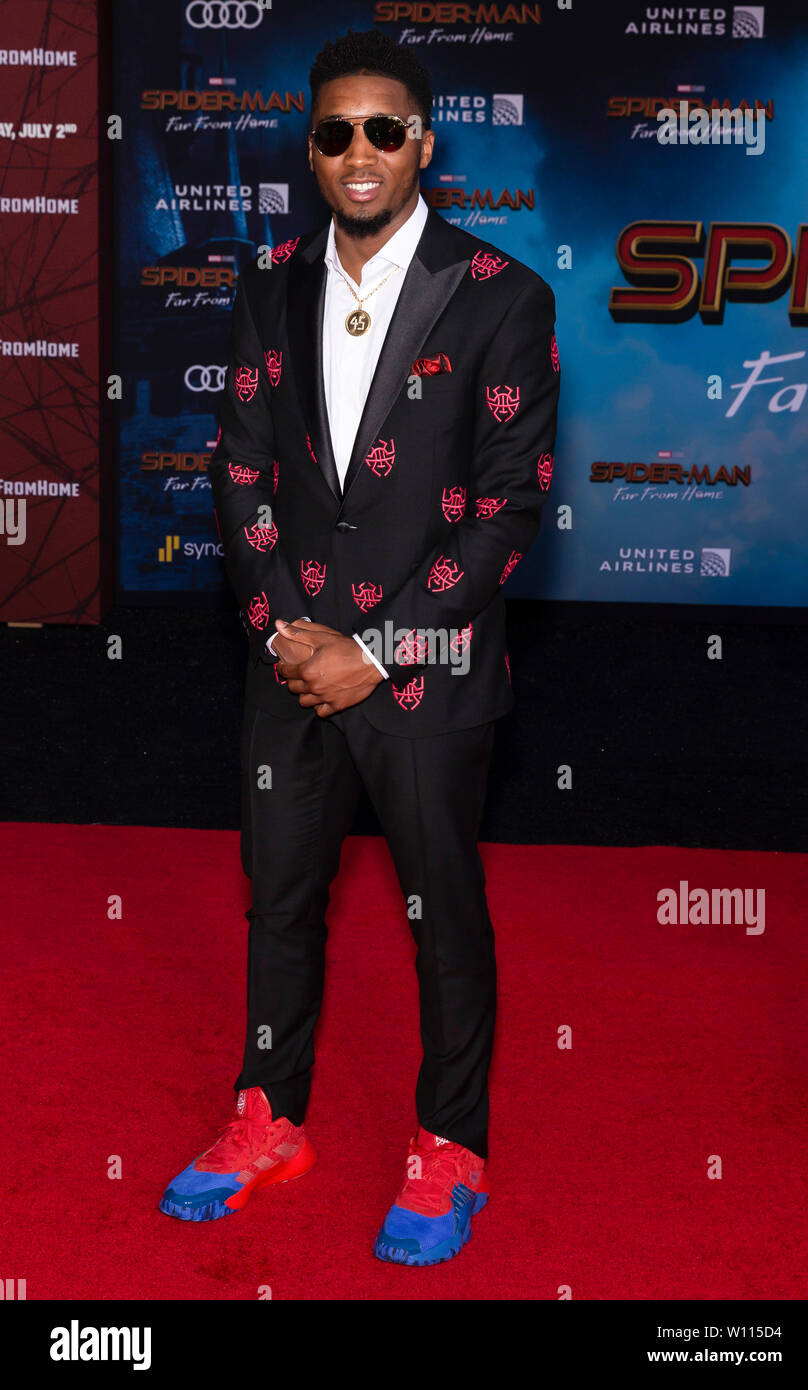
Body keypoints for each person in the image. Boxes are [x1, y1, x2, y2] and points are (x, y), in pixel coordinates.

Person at [160, 28, 560, 1266]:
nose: (360, 152)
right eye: (335, 131)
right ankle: (268, 1113)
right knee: (279, 899)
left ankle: (452, 1146)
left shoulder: (500, 294)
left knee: (442, 914)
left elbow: (508, 505)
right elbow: (237, 467)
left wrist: (375, 648)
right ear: (313, 149)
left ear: (423, 142)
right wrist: (287, 631)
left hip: (424, 668)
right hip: (290, 656)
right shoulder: (268, 281)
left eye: (385, 128)